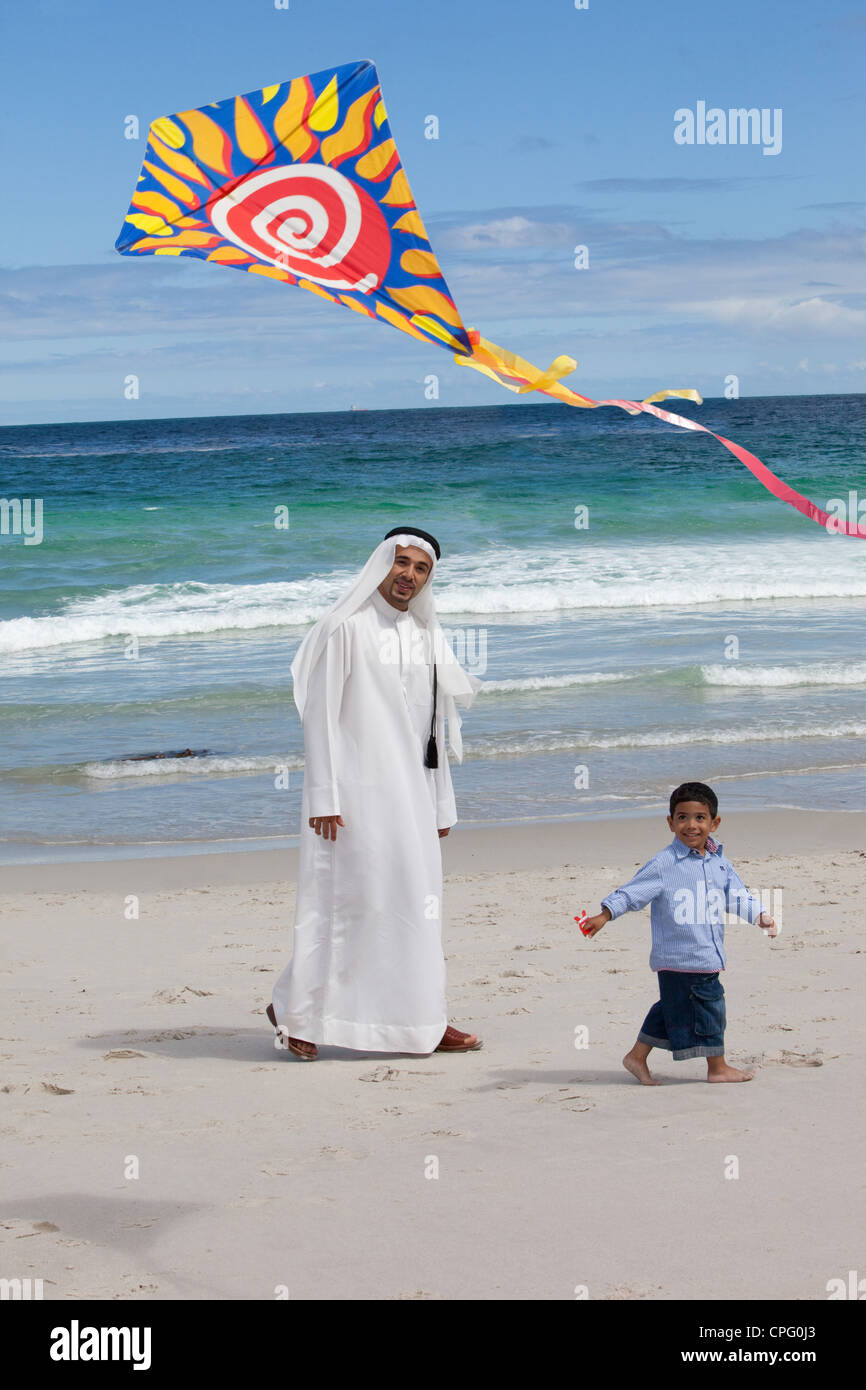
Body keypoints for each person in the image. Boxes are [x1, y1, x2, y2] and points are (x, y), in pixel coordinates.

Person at [267, 527, 482, 1060]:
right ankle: (300, 1013)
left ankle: (423, 1021)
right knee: (348, 905)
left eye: (421, 569)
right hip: (353, 794)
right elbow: (320, 716)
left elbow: (435, 729)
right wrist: (323, 794)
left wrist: (441, 803)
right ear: (381, 564)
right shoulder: (346, 628)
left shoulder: (426, 634)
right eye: (401, 563)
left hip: (413, 794)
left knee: (414, 905)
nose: (408, 575)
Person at [581, 781, 777, 1085]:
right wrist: (606, 914)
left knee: (671, 1008)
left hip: (706, 952)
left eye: (700, 818)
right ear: (671, 822)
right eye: (682, 817)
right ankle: (718, 1067)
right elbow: (633, 892)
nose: (691, 825)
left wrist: (759, 915)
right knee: (712, 1006)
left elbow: (737, 896)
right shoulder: (664, 864)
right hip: (677, 954)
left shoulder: (719, 863)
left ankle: (636, 1056)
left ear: (715, 823)